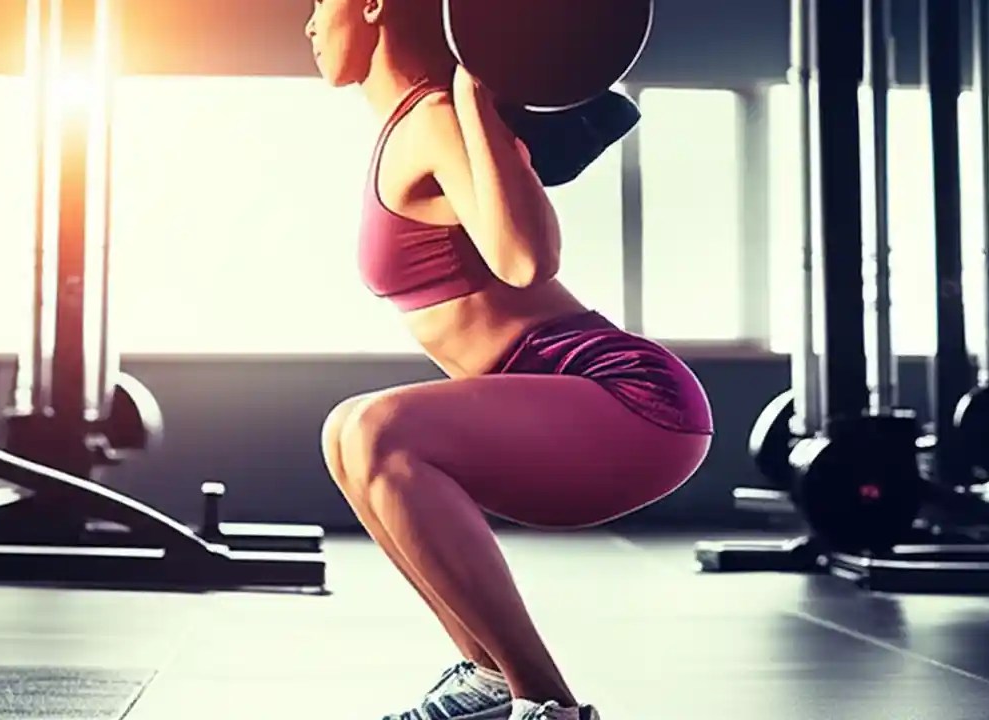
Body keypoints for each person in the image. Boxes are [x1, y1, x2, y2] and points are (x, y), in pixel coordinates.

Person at [304, 1, 714, 719]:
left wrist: (473, 89)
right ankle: (488, 682)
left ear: (372, 4)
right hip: (565, 404)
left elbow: (525, 260)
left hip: (628, 401)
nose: (309, 25)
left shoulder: (439, 115)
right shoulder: (409, 125)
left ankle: (546, 703)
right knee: (346, 433)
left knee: (376, 428)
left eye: (317, 3)